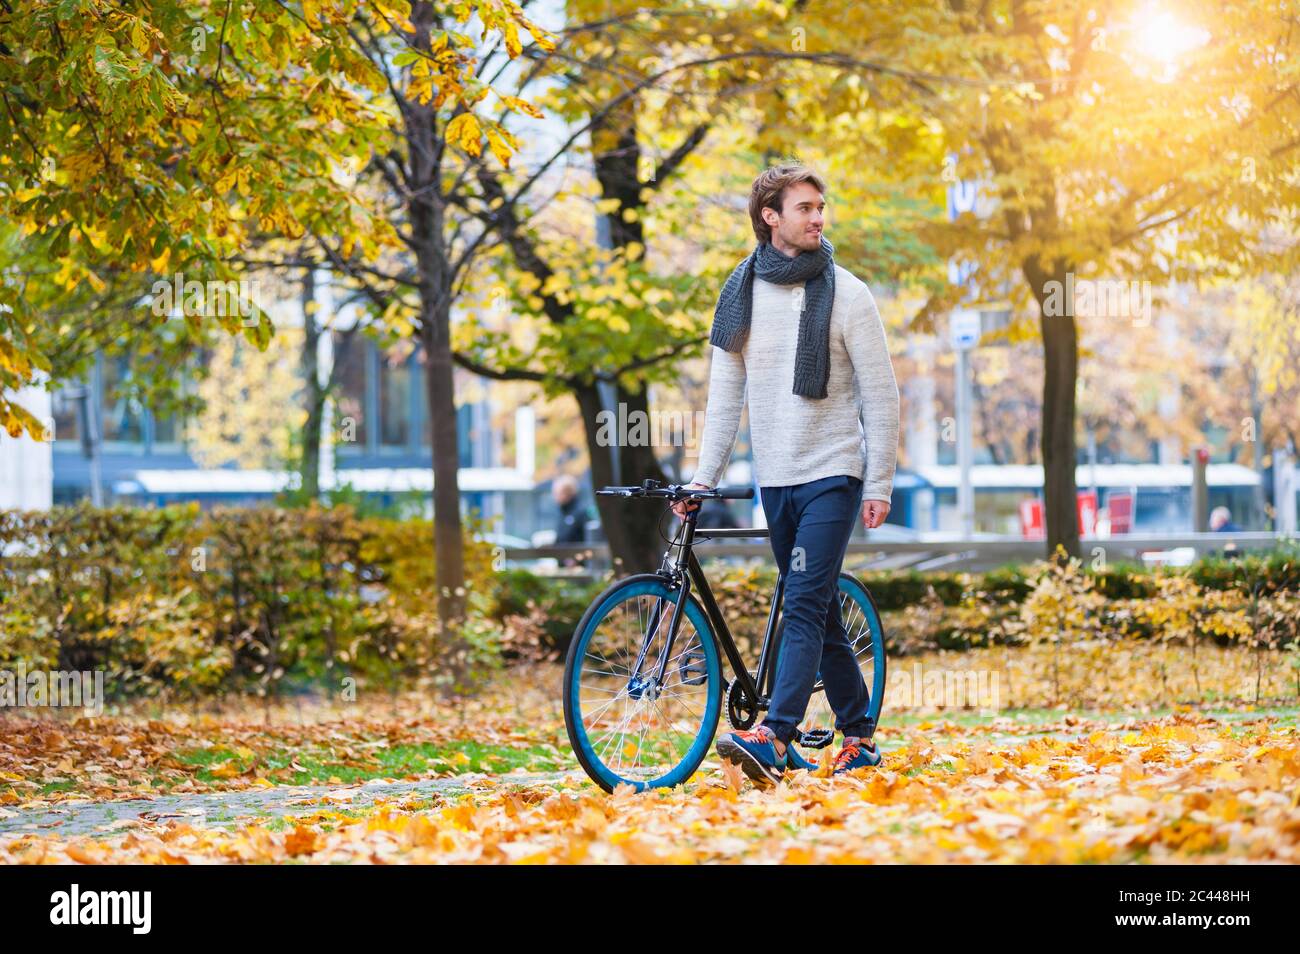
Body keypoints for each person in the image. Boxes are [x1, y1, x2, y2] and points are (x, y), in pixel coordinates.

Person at [671, 163, 900, 785]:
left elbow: (880, 396)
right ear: (770, 216)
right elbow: (725, 398)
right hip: (775, 478)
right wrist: (703, 478)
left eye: (820, 207)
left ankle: (774, 733)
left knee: (799, 600)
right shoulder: (740, 292)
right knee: (819, 610)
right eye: (804, 208)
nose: (818, 218)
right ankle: (859, 738)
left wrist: (878, 481)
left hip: (833, 473)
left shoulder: (848, 294)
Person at [551, 474, 588, 567]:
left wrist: (577, 560)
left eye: (557, 493)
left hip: (578, 568)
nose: (555, 496)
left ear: (569, 493)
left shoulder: (581, 512)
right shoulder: (562, 512)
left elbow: (589, 542)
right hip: (562, 566)